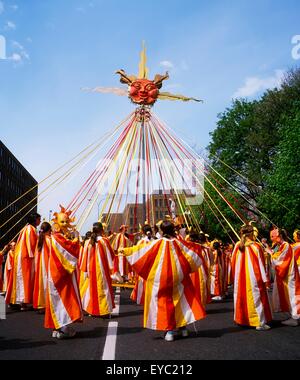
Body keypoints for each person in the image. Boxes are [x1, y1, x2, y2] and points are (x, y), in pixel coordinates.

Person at [119, 220, 207, 342]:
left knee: (165, 302)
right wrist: (201, 247)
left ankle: (169, 331)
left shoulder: (157, 243)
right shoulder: (179, 242)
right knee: (181, 301)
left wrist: (126, 251)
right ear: (173, 230)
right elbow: (191, 252)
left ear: (162, 230)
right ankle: (183, 328)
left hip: (162, 277)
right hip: (179, 276)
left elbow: (142, 251)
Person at [44, 206, 83, 339]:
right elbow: (71, 249)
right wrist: (77, 240)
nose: (65, 224)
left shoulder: (55, 237)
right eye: (63, 222)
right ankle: (63, 328)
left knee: (56, 299)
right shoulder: (58, 237)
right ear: (56, 223)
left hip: (55, 272)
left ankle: (56, 327)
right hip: (59, 274)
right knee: (63, 299)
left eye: (67, 222)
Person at [231, 224, 273, 331]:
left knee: (241, 296)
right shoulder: (256, 246)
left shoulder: (237, 245)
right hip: (254, 276)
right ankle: (259, 322)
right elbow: (261, 263)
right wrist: (265, 279)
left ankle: (243, 319)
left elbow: (233, 262)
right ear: (251, 234)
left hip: (240, 277)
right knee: (256, 297)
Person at [5, 213, 41, 310]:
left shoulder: (26, 228)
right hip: (26, 257)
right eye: (39, 219)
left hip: (22, 256)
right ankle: (23, 303)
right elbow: (32, 244)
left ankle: (20, 301)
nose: (40, 221)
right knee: (25, 279)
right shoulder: (31, 229)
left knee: (21, 278)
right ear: (34, 220)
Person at [265, 228, 300, 326]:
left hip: (290, 276)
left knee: (292, 295)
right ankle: (294, 316)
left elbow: (280, 260)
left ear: (279, 236)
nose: (271, 238)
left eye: (273, 236)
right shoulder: (282, 246)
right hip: (288, 275)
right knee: (290, 295)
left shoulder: (286, 245)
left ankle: (295, 318)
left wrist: (270, 253)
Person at [79, 223, 115, 317]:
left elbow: (85, 256)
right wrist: (112, 269)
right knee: (103, 289)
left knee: (92, 289)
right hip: (102, 269)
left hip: (91, 269)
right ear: (102, 230)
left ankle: (92, 309)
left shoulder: (89, 242)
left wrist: (85, 269)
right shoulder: (104, 241)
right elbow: (110, 255)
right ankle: (104, 311)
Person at [33, 222, 51, 311]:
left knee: (41, 283)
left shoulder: (40, 239)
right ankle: (45, 304)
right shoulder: (48, 239)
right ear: (49, 230)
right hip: (47, 263)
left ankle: (41, 304)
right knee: (46, 283)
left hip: (40, 264)